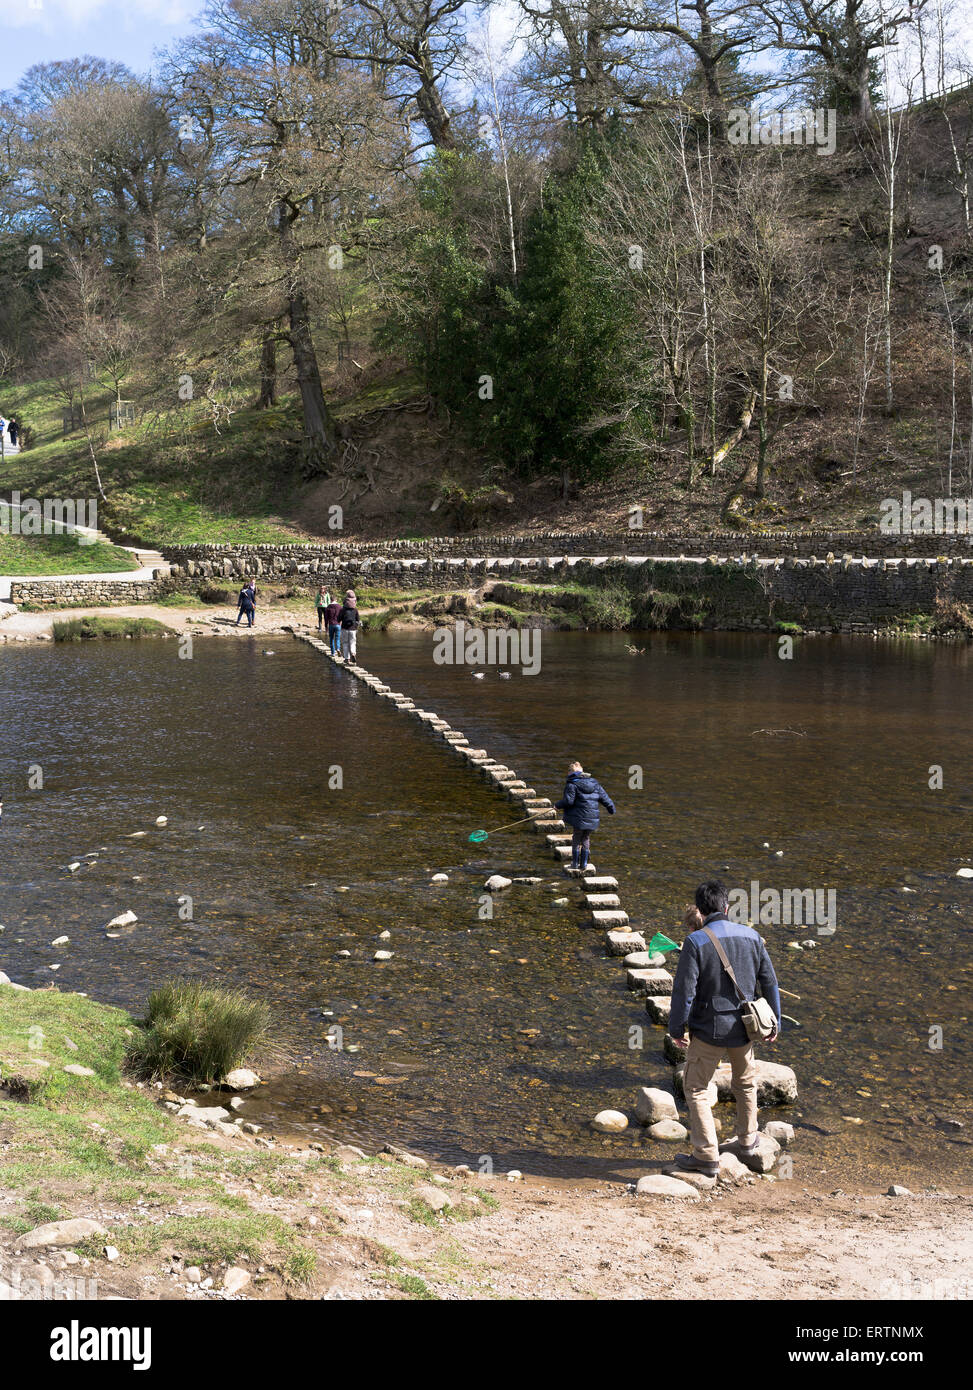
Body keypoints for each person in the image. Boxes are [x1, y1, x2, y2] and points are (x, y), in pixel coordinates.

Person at [668, 879, 781, 1178]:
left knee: (696, 1089)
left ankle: (706, 1156)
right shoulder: (753, 937)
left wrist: (677, 1027)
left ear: (702, 912)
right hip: (746, 1029)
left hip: (708, 1031)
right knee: (745, 1084)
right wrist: (776, 1021)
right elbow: (769, 982)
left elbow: (684, 990)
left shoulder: (695, 942)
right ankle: (747, 1141)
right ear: (727, 907)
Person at [555, 761, 614, 871]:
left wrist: (557, 805)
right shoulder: (594, 783)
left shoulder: (572, 784)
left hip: (579, 818)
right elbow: (605, 798)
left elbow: (568, 801)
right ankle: (584, 865)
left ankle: (574, 864)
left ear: (570, 773)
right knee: (586, 838)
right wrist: (611, 808)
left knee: (577, 838)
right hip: (592, 817)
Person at [337, 588, 360, 663]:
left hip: (344, 628)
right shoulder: (355, 610)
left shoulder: (343, 609)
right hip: (353, 629)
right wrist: (356, 627)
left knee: (345, 643)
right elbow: (358, 620)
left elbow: (338, 619)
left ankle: (347, 658)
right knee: (353, 643)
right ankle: (353, 653)